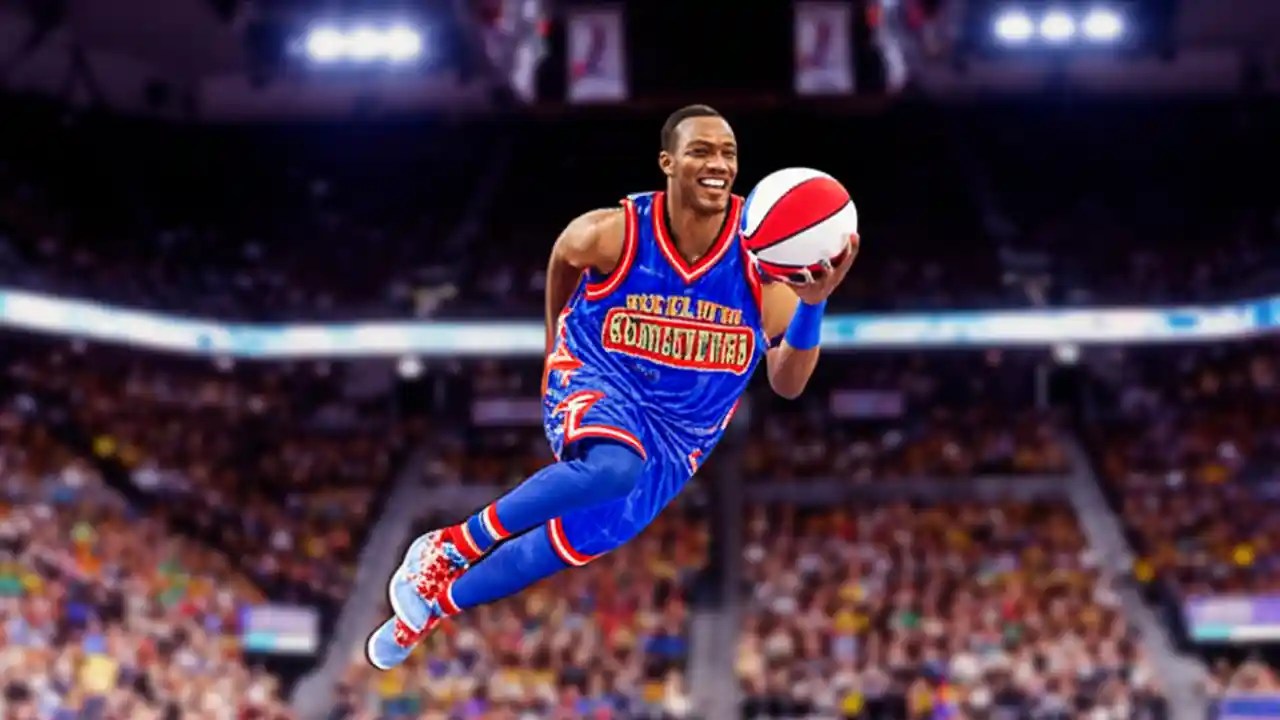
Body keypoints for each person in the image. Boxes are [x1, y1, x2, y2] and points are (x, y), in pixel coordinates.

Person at [365, 104, 857, 668]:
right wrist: (554, 348)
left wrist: (814, 308)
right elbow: (563, 256)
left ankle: (432, 607)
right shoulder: (614, 233)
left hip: (680, 436)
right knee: (612, 467)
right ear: (667, 162)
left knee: (568, 544)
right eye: (701, 150)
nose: (718, 162)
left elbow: (788, 384)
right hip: (602, 376)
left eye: (728, 153)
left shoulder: (762, 271)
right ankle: (451, 545)